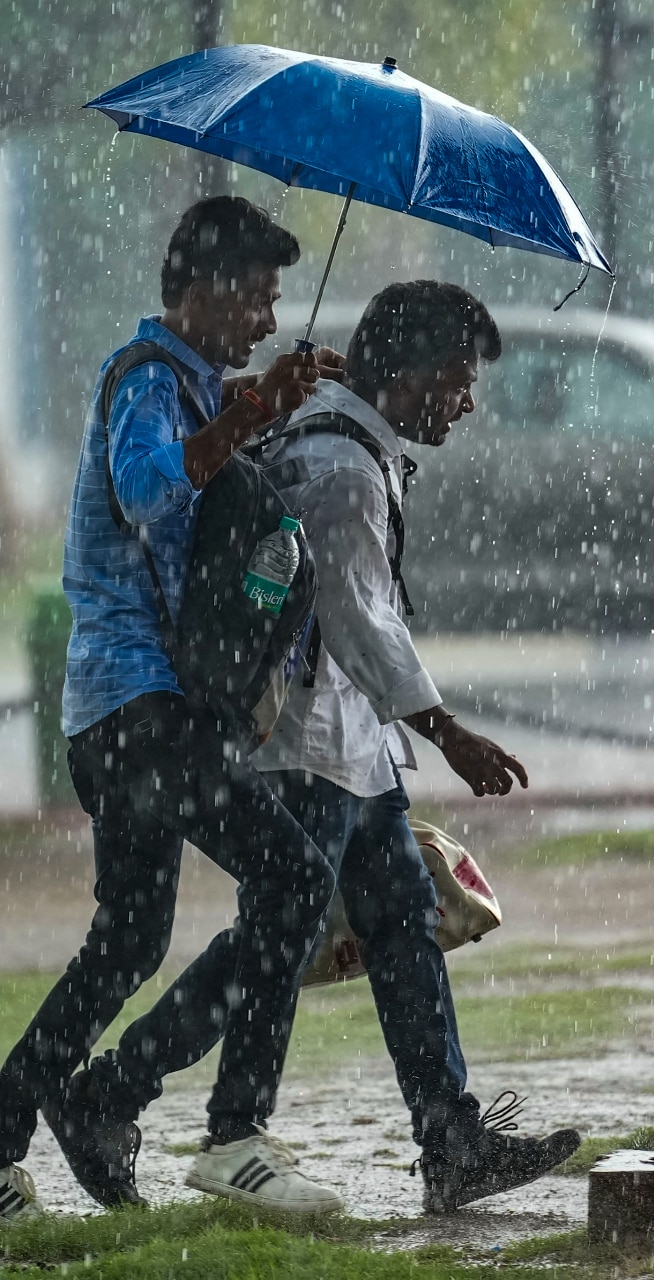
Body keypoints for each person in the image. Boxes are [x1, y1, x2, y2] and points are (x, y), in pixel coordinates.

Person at [52, 281, 581, 1217]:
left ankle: (448, 1136)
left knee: (402, 925)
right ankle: (120, 1094)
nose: (465, 402)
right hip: (309, 741)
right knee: (278, 940)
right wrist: (447, 731)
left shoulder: (342, 442)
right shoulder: (340, 467)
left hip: (349, 742)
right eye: (456, 382)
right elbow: (355, 617)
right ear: (405, 372)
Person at [0, 195, 351, 1222]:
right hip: (142, 709)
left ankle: (68, 1109)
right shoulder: (144, 379)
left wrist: (259, 401)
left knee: (130, 939)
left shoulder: (188, 383)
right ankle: (233, 1132)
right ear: (199, 287)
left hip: (124, 716)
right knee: (292, 875)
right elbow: (153, 488)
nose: (266, 315)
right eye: (255, 295)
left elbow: (206, 484)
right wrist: (247, 415)